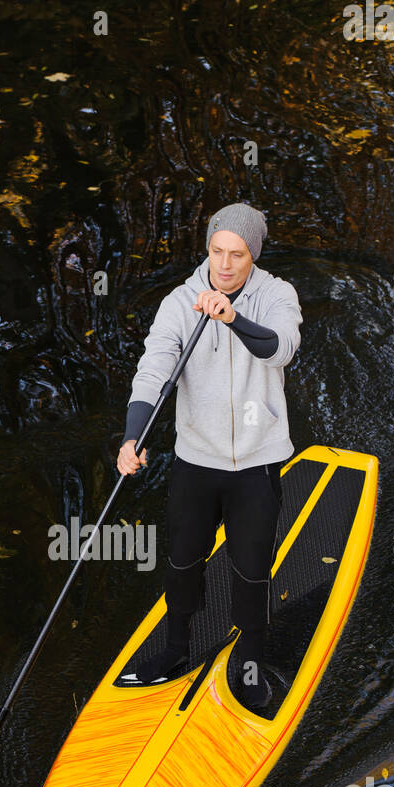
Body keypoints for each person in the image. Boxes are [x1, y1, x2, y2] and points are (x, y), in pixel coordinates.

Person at [118, 202, 302, 710]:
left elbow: (280, 348)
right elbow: (154, 370)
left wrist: (234, 317)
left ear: (253, 254)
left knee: (250, 568)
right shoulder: (181, 301)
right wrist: (133, 436)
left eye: (236, 254)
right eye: (217, 251)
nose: (224, 264)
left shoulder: (276, 295)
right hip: (196, 459)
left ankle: (251, 662)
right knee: (182, 561)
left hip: (256, 461)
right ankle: (177, 649)